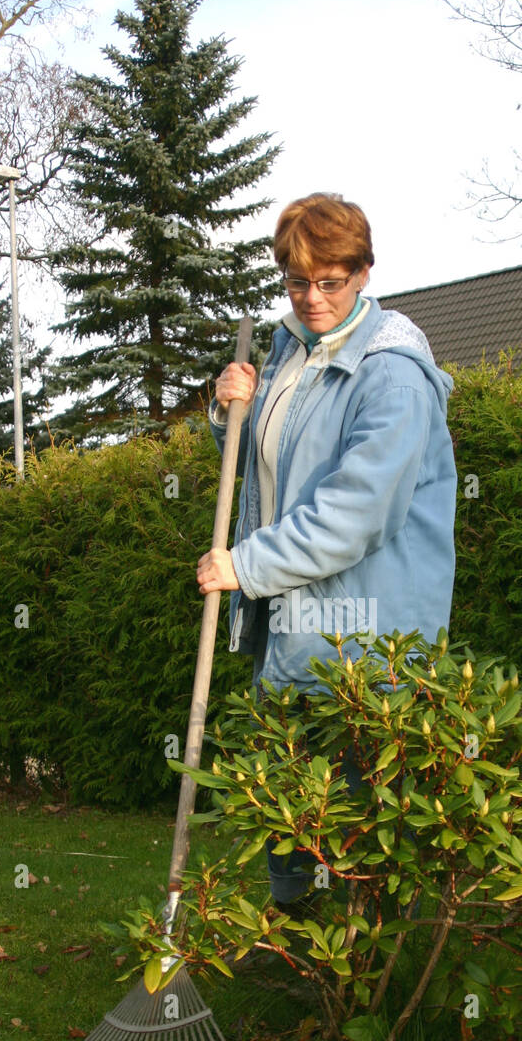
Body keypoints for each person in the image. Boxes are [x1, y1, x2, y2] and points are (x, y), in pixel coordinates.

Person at [197, 192, 457, 913]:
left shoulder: (393, 375)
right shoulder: (293, 351)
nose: (311, 298)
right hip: (292, 628)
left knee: (355, 820)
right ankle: (295, 963)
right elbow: (263, 467)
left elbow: (356, 513)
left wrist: (243, 566)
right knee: (288, 807)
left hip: (364, 640)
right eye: (295, 282)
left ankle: (363, 981)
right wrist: (231, 411)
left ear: (364, 273)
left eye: (330, 281)